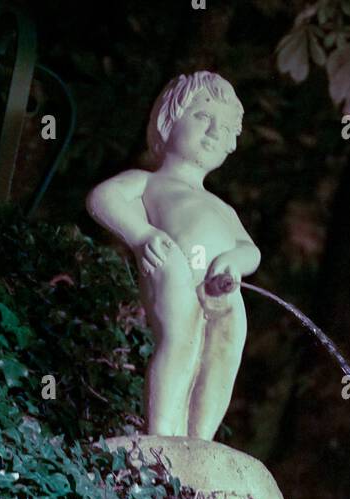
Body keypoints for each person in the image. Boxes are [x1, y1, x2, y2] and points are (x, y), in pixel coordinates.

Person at [86, 71, 261, 440]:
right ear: (168, 120)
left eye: (226, 127)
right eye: (203, 117)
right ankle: (164, 435)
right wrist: (142, 234)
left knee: (225, 350)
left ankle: (200, 441)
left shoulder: (223, 209)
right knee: (181, 340)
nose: (215, 131)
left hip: (221, 287)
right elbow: (103, 199)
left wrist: (234, 262)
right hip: (173, 268)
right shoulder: (150, 182)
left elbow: (250, 249)